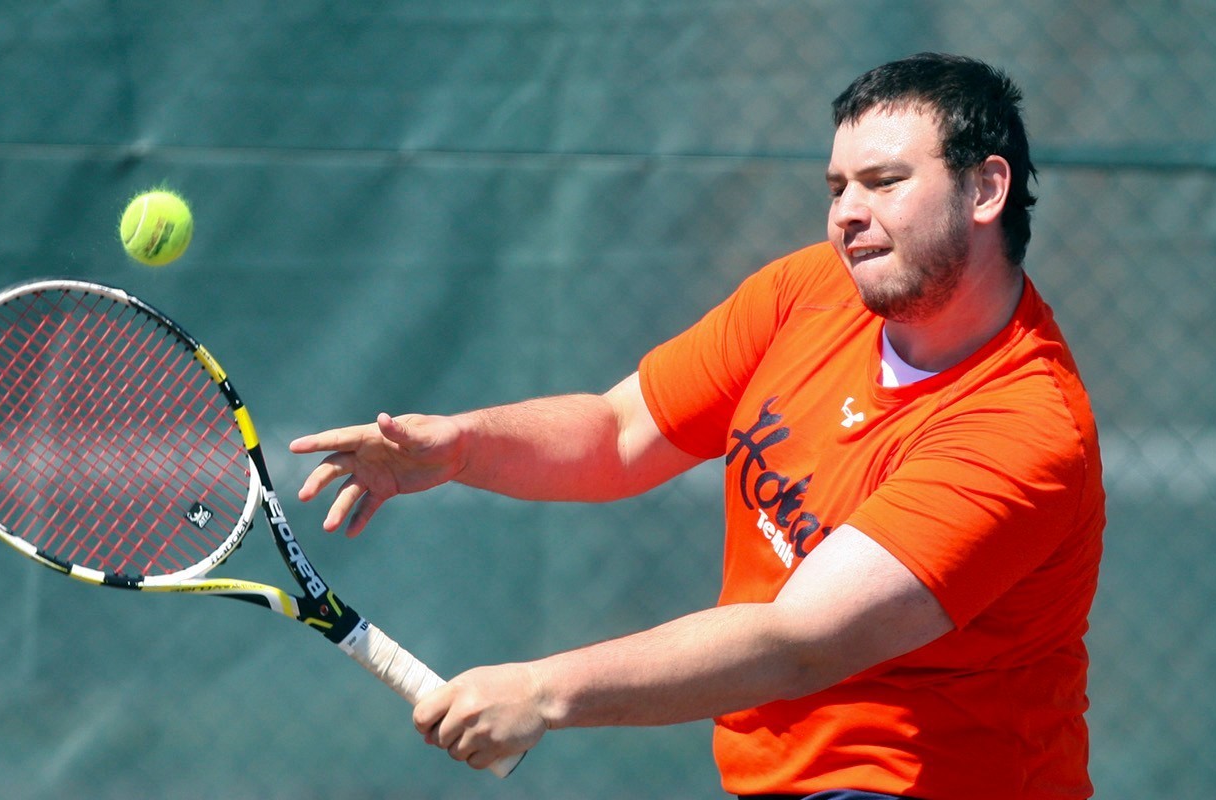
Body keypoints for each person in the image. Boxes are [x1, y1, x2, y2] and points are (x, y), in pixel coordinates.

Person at [290, 52, 1104, 800]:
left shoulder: (1021, 427)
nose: (847, 215)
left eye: (885, 181)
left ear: (987, 190)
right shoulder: (809, 292)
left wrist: (541, 693)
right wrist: (462, 446)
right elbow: (617, 432)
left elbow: (800, 640)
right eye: (836, 187)